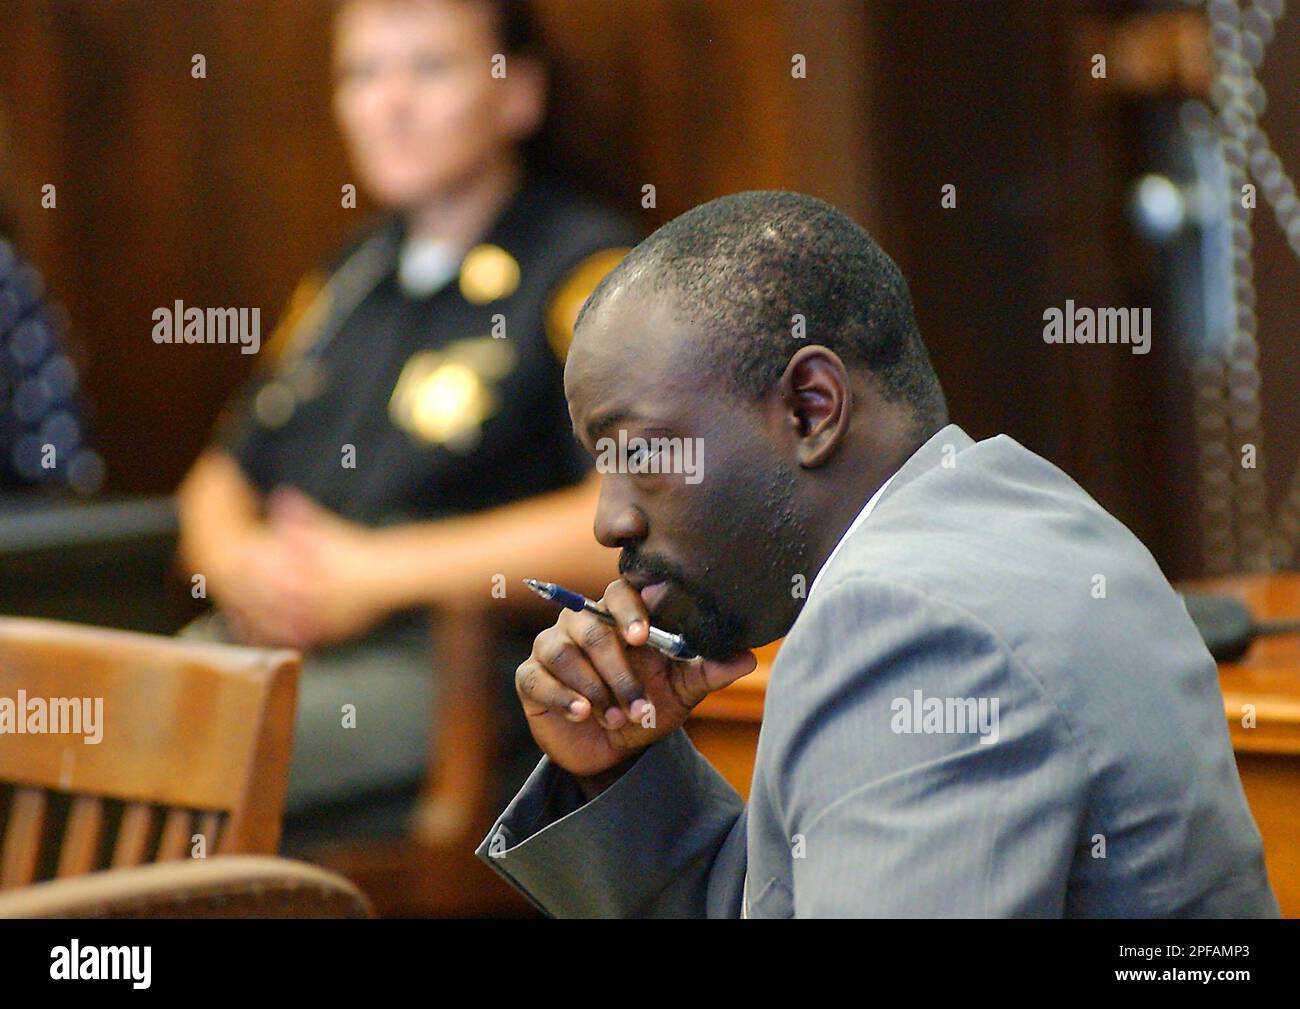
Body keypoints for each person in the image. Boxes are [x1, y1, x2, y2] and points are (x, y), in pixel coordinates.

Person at [474, 190, 1280, 917]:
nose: (609, 522)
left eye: (641, 455)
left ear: (810, 407)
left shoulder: (902, 622)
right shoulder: (1021, 511)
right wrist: (619, 773)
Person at [177, 0, 637, 847]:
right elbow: (220, 475)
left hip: (457, 680)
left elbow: (637, 515)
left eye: (428, 68)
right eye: (362, 72)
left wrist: (377, 574)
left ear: (518, 94)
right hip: (282, 647)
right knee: (67, 724)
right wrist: (242, 565)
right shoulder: (349, 276)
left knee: (149, 749)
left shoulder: (589, 271)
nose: (388, 103)